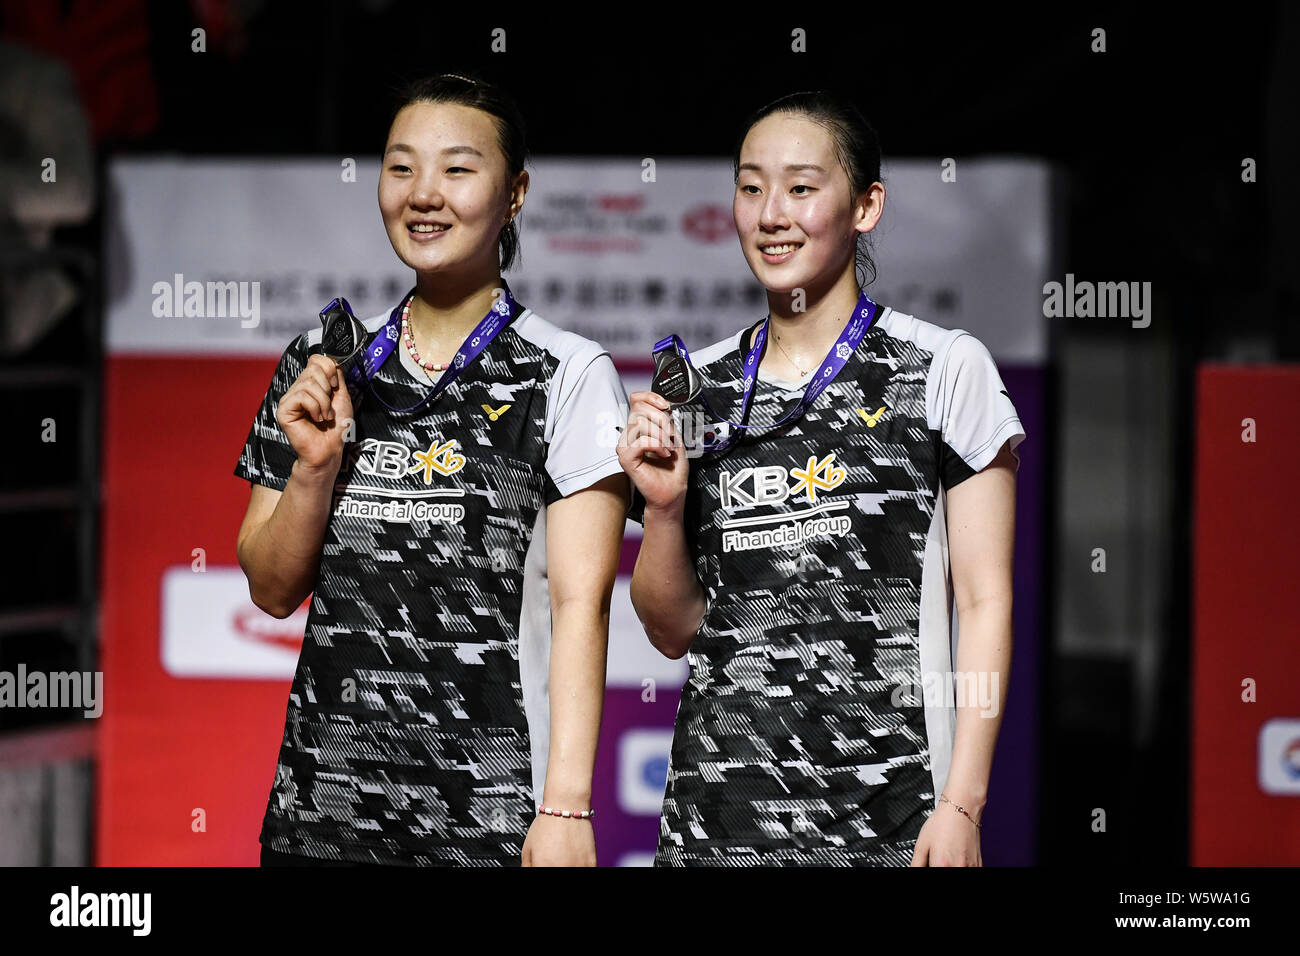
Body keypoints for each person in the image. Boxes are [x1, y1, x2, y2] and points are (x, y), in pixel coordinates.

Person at [617, 91, 1025, 866]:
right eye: (750, 187)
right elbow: (673, 631)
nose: (772, 213)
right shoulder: (695, 389)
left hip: (893, 820)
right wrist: (665, 513)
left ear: (866, 205)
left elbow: (985, 600)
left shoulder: (941, 368)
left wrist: (963, 805)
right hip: (715, 825)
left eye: (802, 187)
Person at [234, 73, 629, 867]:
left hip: (488, 817)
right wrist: (314, 467)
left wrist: (567, 807)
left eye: (457, 169)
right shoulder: (325, 363)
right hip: (321, 810)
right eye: (401, 166)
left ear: (513, 193)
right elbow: (271, 589)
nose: (423, 194)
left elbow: (580, 608)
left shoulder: (569, 374)